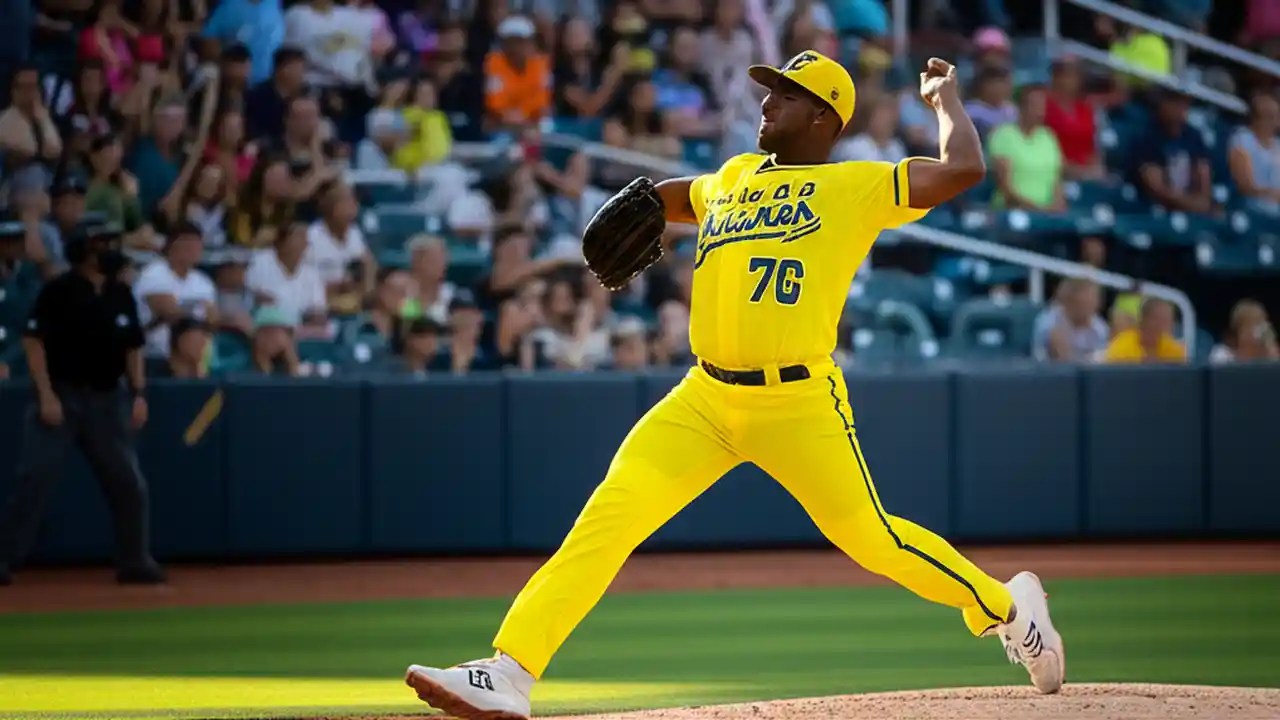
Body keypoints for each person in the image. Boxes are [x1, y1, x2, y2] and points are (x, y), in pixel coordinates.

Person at [404, 51, 1065, 720]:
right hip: (704, 397)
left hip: (797, 401)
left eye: (785, 94)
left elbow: (964, 170)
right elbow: (662, 199)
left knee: (875, 540)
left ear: (822, 117)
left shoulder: (855, 187)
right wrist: (640, 207)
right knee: (608, 519)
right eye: (768, 90)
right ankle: (509, 671)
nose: (767, 103)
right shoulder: (732, 176)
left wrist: (945, 101)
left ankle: (1008, 608)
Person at [0, 224, 164, 586]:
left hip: (107, 399)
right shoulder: (58, 290)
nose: (109, 249)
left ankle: (134, 560)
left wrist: (139, 393)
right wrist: (45, 394)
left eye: (110, 242)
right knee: (35, 478)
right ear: (83, 250)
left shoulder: (121, 293)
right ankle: (4, 557)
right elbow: (33, 342)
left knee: (128, 483)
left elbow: (133, 346)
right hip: (63, 394)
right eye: (101, 244)